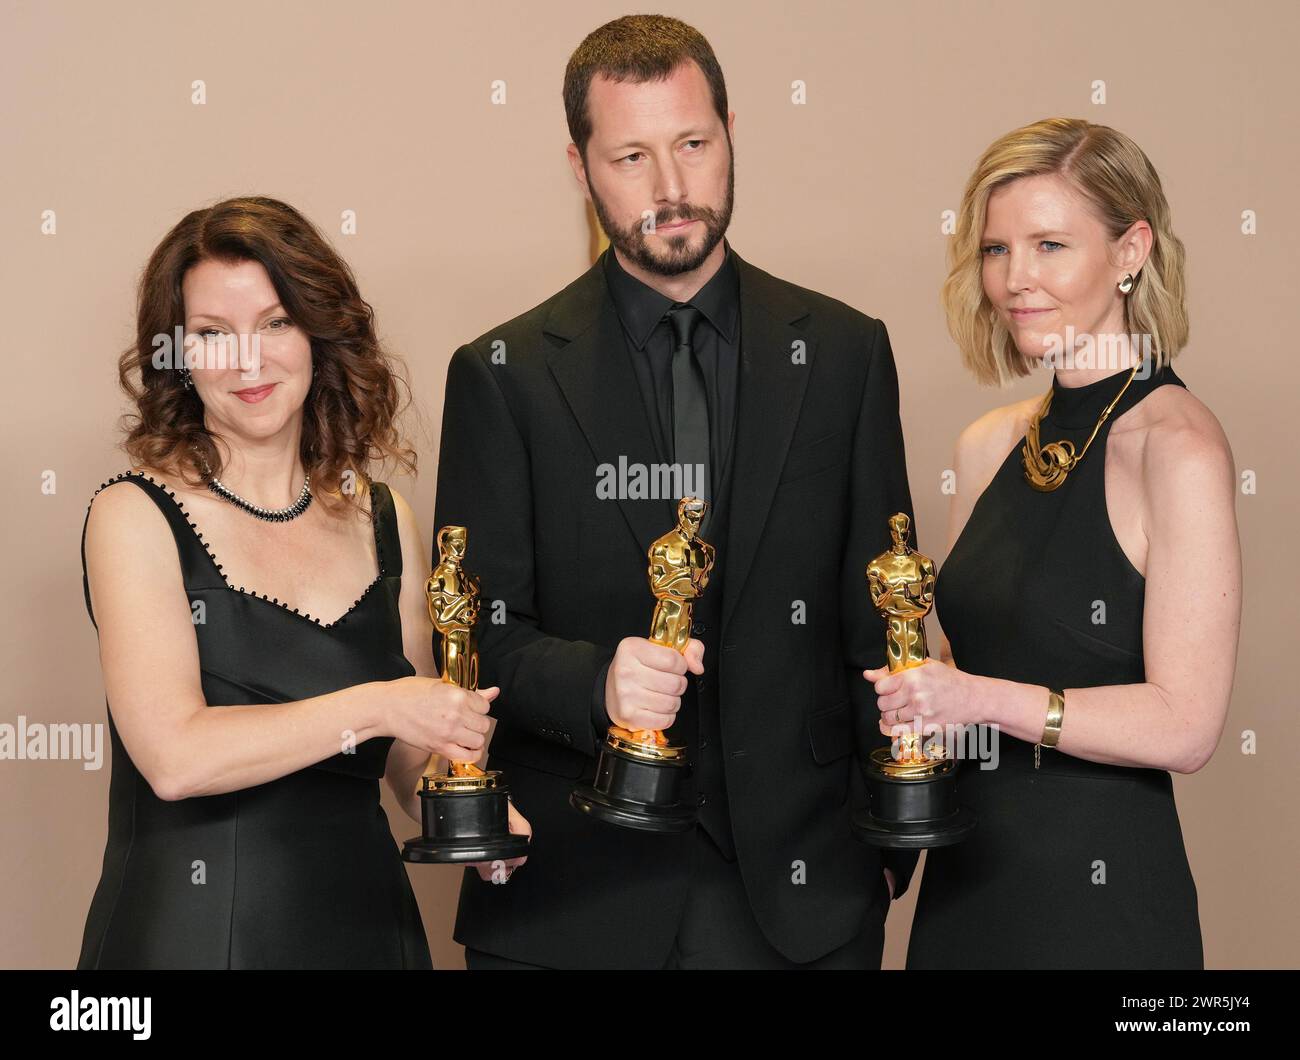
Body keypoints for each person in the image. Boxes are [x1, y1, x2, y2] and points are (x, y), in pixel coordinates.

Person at [434, 14, 916, 969]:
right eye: (630, 157)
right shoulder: (502, 372)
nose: (669, 188)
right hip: (574, 902)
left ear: (731, 130)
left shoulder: (848, 351)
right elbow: (473, 635)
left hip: (806, 902)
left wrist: (885, 847)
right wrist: (599, 683)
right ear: (579, 167)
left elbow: (883, 614)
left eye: (693, 144)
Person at [78, 196, 528, 969]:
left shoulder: (386, 518)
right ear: (177, 356)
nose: (248, 361)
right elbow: (176, 759)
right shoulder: (131, 516)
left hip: (368, 936)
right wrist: (382, 702)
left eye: (275, 323)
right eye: (214, 335)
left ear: (318, 334)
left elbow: (406, 761)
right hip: (189, 941)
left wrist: (474, 811)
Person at [864, 118, 1241, 968]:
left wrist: (978, 701)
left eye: (1050, 246)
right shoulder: (988, 443)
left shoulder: (1178, 446)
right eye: (998, 250)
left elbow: (1188, 726)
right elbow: (954, 684)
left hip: (1102, 911)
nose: (1016, 280)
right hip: (966, 889)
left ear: (1130, 249)